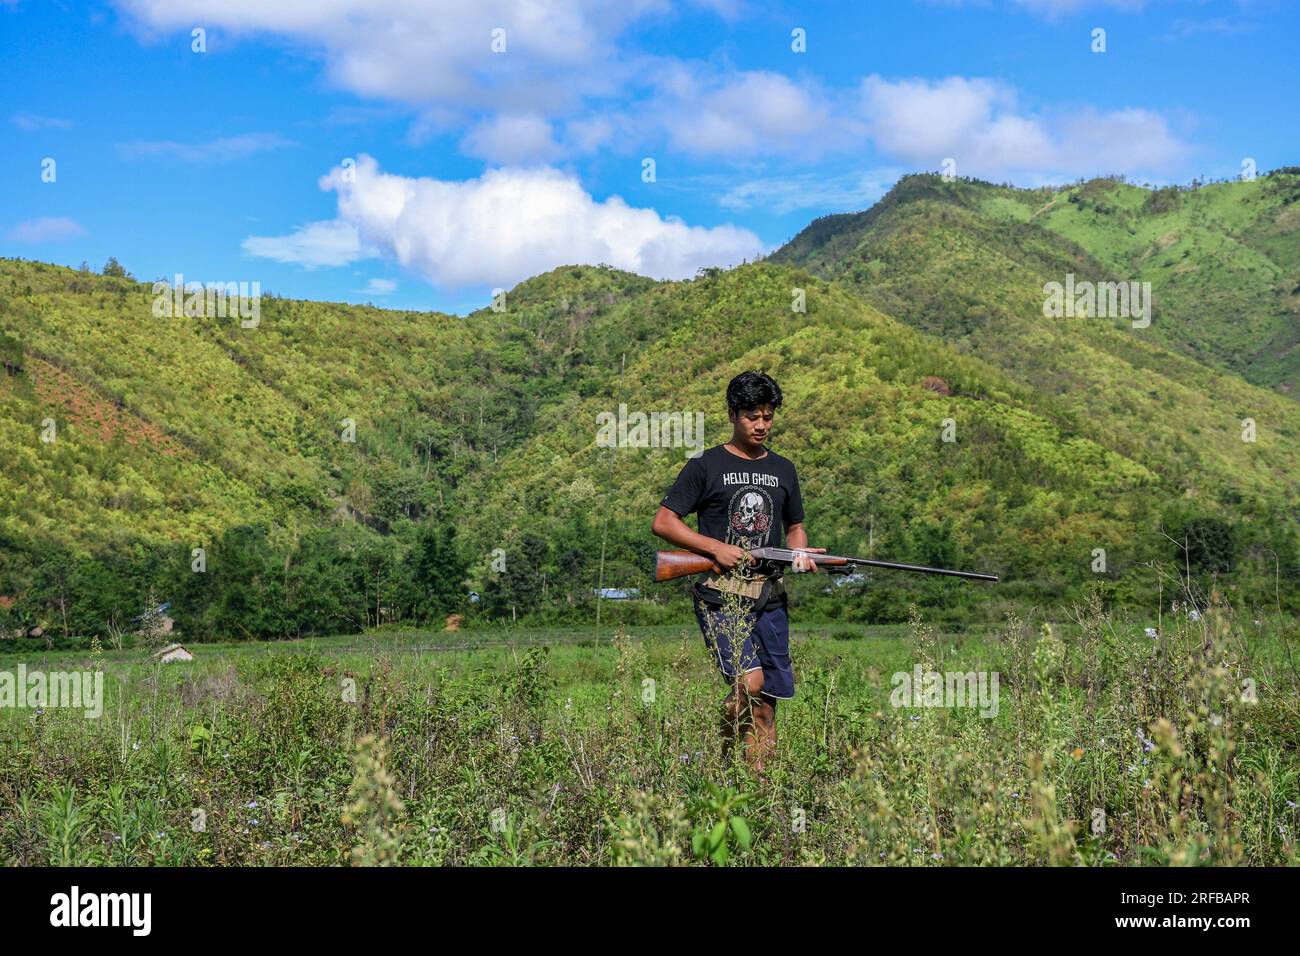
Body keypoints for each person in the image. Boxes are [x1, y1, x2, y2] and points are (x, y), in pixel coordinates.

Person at [651, 370, 823, 773]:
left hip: (769, 598)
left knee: (766, 707)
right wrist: (715, 547)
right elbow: (664, 522)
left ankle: (757, 795)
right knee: (749, 685)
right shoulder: (705, 465)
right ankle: (725, 763)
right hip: (721, 596)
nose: (761, 425)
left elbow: (794, 526)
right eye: (751, 416)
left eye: (767, 416)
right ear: (732, 414)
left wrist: (798, 554)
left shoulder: (784, 469)